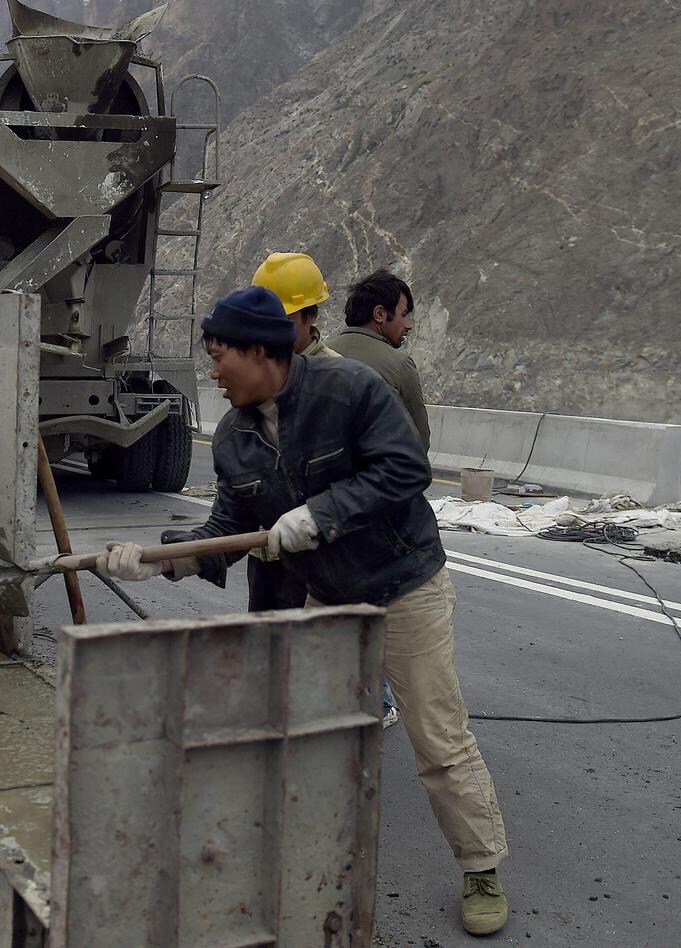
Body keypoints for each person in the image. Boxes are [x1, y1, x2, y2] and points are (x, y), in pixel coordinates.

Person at [102, 286, 509, 937]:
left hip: (404, 584)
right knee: (316, 746)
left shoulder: (348, 390)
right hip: (329, 596)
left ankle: (481, 867)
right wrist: (157, 559)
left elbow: (406, 470)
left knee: (438, 740)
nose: (211, 370)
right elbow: (225, 532)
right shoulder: (234, 438)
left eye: (218, 355)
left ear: (260, 352)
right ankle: (316, 870)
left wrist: (321, 514)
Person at [251, 252, 399, 729]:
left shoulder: (345, 381)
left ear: (311, 316)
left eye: (281, 319)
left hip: (319, 546)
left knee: (315, 653)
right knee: (266, 645)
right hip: (264, 547)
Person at [325, 269, 430, 450]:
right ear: (379, 314)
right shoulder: (400, 365)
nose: (409, 326)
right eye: (403, 315)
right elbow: (419, 441)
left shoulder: (315, 357)